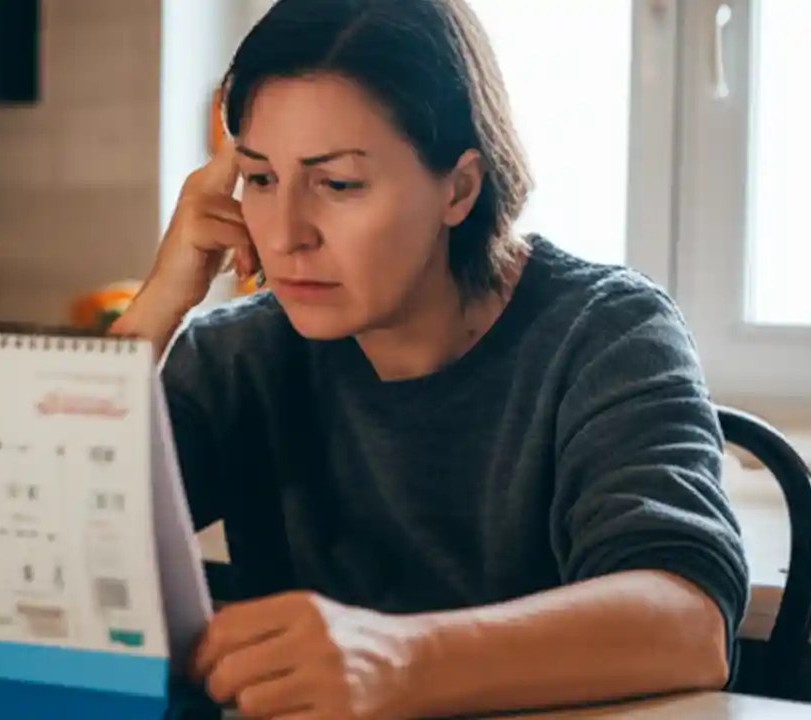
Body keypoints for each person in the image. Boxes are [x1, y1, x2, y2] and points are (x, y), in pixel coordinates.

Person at [110, 0, 749, 718]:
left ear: (459, 188)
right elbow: (34, 546)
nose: (285, 235)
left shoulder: (606, 333)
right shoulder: (238, 355)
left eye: (338, 184)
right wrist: (158, 304)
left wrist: (396, 659)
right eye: (260, 179)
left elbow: (689, 622)